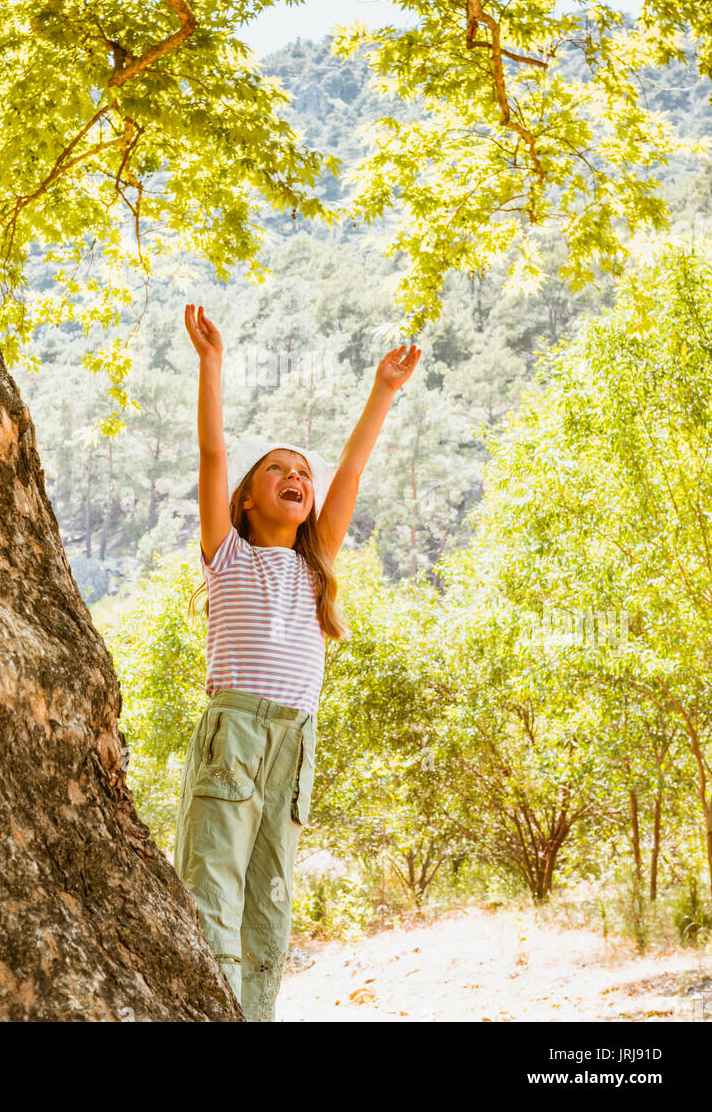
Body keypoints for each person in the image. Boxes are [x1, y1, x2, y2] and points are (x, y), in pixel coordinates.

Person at [175, 303, 421, 1021]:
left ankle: (254, 1015)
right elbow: (213, 455)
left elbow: (351, 467)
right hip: (236, 735)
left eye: (301, 474)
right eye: (277, 470)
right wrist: (211, 365)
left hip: (295, 740)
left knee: (268, 897)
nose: (295, 476)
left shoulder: (314, 566)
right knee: (212, 886)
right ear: (246, 501)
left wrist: (382, 391)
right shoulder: (229, 556)